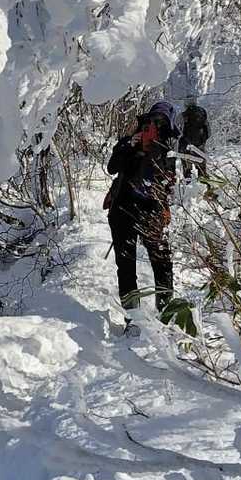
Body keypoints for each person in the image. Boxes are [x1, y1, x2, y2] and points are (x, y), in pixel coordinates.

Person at [104, 100, 179, 320]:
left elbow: (170, 182)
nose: (154, 128)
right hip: (123, 210)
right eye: (151, 122)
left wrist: (154, 154)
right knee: (127, 266)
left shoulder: (169, 150)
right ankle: (134, 318)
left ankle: (165, 314)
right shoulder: (130, 142)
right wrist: (130, 147)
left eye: (160, 123)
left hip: (152, 212)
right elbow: (112, 167)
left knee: (162, 263)